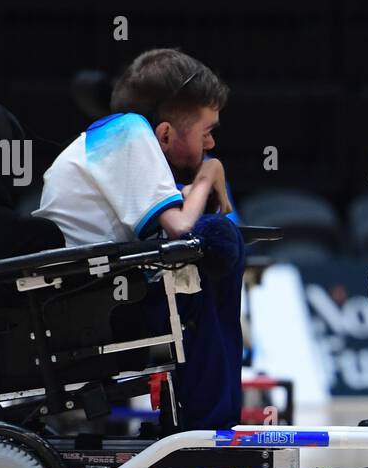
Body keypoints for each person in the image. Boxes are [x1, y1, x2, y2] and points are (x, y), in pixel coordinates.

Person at [35, 48, 243, 430]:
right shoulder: (129, 131)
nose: (211, 144)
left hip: (95, 293)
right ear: (164, 133)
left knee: (218, 242)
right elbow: (181, 225)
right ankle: (208, 427)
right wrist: (209, 174)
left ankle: (204, 422)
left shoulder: (116, 138)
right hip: (90, 307)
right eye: (207, 132)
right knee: (216, 241)